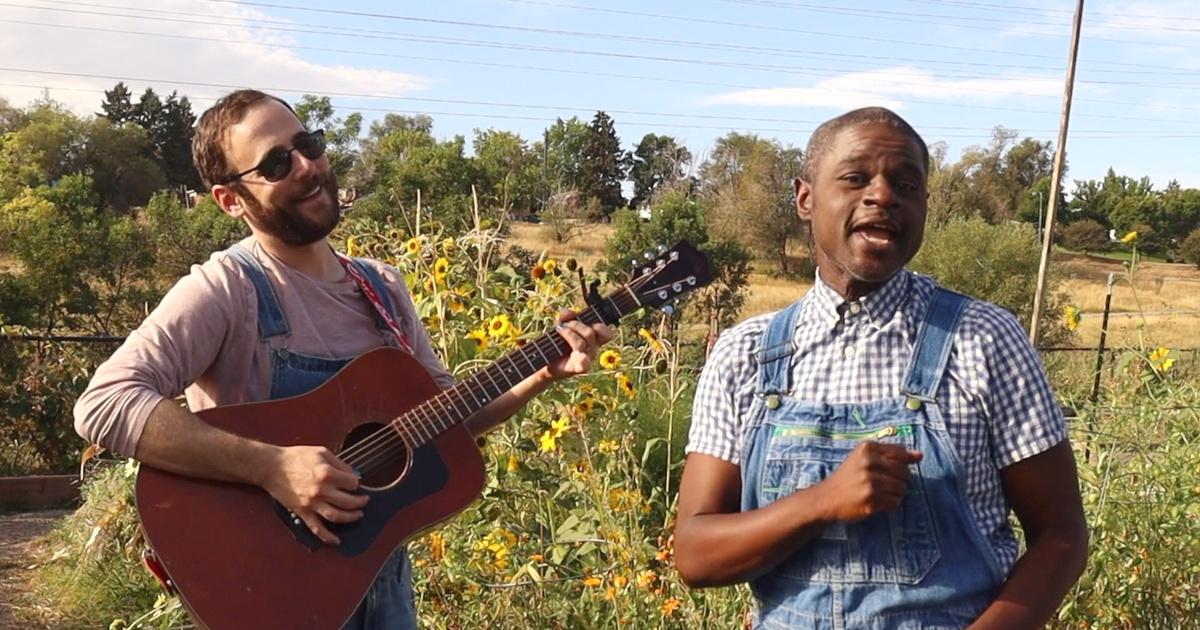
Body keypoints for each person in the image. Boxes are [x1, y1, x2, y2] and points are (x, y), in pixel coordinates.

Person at [73, 89, 612, 629]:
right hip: (276, 591)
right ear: (230, 200)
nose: (308, 166)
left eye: (309, 145)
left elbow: (449, 418)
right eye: (278, 162)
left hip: (383, 587)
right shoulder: (228, 289)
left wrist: (540, 372)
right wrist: (272, 466)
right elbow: (104, 403)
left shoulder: (381, 288)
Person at [673, 107, 1088, 629]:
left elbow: (1062, 534)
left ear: (925, 206)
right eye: (855, 178)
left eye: (906, 184)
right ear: (805, 198)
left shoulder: (983, 340)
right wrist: (821, 502)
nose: (884, 196)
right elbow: (695, 553)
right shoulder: (743, 355)